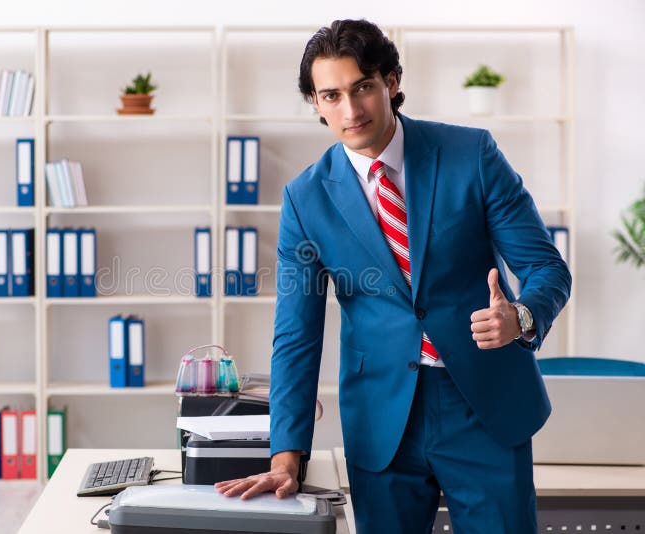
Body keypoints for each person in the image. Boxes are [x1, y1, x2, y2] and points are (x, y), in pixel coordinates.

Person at [214, 19, 571, 533]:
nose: (351, 110)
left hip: (483, 405)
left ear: (392, 81)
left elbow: (544, 266)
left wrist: (521, 315)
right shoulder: (305, 198)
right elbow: (296, 334)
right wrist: (286, 456)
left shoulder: (471, 155)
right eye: (331, 95)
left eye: (362, 88)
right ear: (315, 103)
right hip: (382, 419)